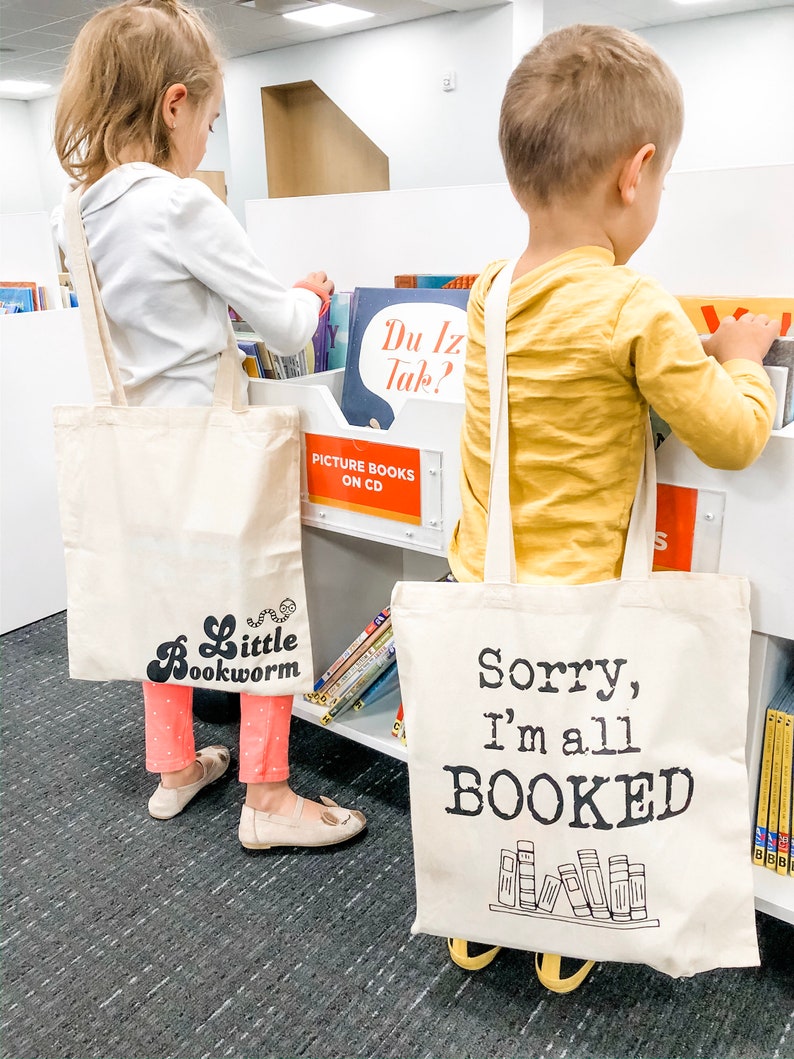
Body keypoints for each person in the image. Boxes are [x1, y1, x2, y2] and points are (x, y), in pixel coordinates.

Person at [446, 24, 778, 991]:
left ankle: (484, 907)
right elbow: (731, 436)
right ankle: (566, 920)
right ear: (636, 175)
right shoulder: (639, 308)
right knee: (583, 765)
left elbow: (529, 422)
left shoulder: (488, 294)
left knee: (509, 752)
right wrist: (746, 363)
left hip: (484, 586)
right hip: (588, 603)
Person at [51, 0, 366, 851]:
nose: (208, 143)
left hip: (135, 451)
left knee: (165, 607)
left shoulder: (74, 216)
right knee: (256, 603)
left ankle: (175, 767)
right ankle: (268, 794)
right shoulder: (181, 205)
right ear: (174, 103)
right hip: (210, 442)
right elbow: (288, 326)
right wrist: (311, 293)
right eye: (212, 121)